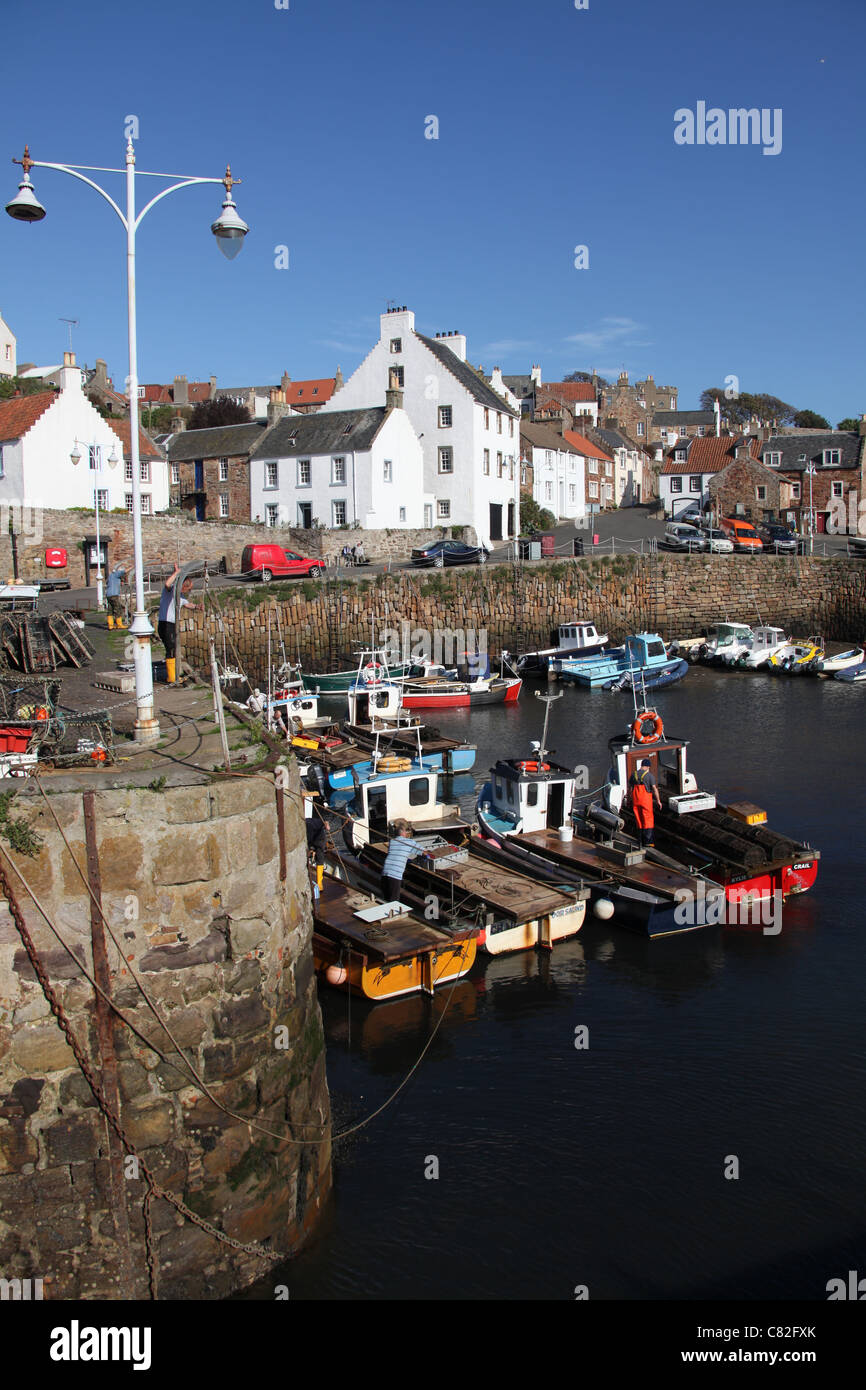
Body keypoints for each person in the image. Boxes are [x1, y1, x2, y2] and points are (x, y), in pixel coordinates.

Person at [157, 564, 200, 683]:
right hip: (165, 624)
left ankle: (174, 674)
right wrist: (176, 573)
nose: (189, 591)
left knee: (173, 648)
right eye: (188, 589)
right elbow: (167, 584)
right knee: (171, 649)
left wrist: (197, 606)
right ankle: (172, 677)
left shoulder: (179, 596)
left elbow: (187, 604)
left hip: (171, 624)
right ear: (183, 587)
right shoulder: (170, 591)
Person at [381, 819, 423, 903]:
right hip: (395, 875)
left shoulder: (392, 841)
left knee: (386, 899)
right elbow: (423, 852)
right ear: (403, 833)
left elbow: (398, 851)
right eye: (406, 832)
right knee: (394, 901)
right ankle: (393, 914)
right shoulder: (409, 842)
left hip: (385, 872)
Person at [629, 757, 662, 848]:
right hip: (645, 800)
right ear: (647, 766)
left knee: (639, 819)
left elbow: (631, 789)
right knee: (647, 819)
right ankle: (648, 841)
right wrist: (658, 801)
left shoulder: (633, 775)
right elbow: (654, 789)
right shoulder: (649, 776)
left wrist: (630, 799)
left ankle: (640, 840)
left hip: (636, 799)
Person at [105, 565, 127, 630]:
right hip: (114, 595)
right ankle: (119, 624)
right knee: (118, 609)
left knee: (110, 610)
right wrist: (134, 566)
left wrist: (120, 581)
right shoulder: (116, 574)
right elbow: (124, 571)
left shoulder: (111, 576)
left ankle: (110, 625)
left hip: (108, 595)